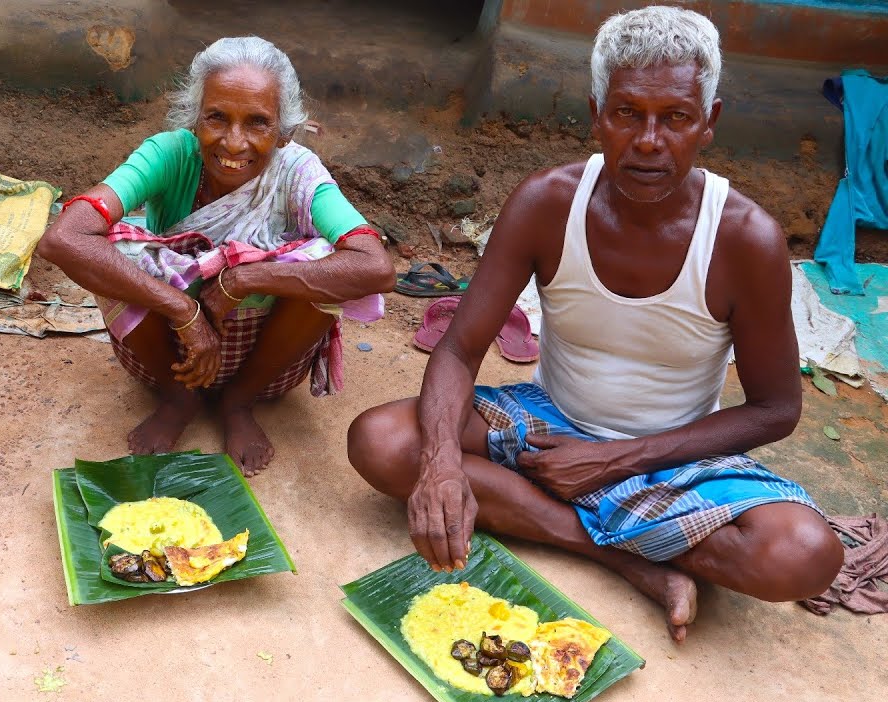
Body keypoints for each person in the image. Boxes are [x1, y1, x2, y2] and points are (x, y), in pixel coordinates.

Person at [346, 6, 843, 642]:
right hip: (546, 430)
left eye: (677, 118)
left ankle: (577, 521)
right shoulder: (547, 203)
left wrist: (614, 460)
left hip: (673, 455)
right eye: (628, 112)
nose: (648, 141)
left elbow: (776, 409)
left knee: (804, 554)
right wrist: (442, 461)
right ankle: (621, 554)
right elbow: (460, 348)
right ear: (595, 113)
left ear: (709, 124)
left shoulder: (745, 237)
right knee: (383, 441)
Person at [38, 36, 393, 475]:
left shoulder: (299, 172)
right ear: (194, 119)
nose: (233, 143)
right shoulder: (169, 153)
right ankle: (177, 397)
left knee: (326, 260)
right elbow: (63, 238)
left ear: (284, 133)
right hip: (169, 352)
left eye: (258, 122)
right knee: (110, 251)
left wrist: (243, 280)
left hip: (269, 363)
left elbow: (375, 266)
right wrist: (184, 309)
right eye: (217, 118)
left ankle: (238, 403)